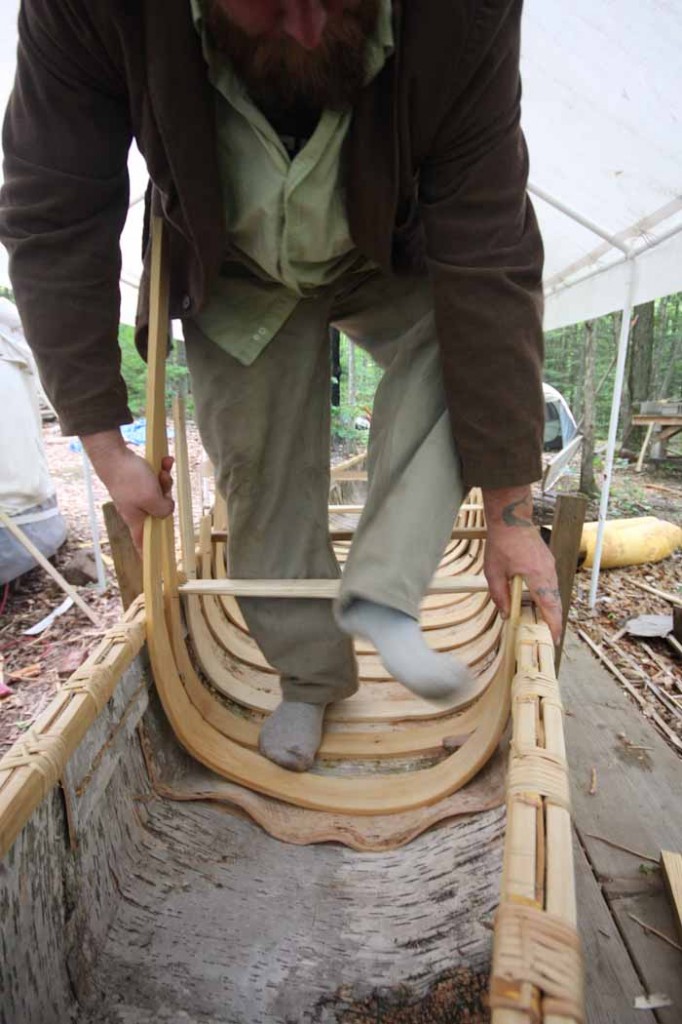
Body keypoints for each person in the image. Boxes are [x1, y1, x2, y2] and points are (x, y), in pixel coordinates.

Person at [0, 0, 561, 772]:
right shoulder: (90, 9)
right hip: (232, 266)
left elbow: (491, 248)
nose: (304, 26)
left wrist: (512, 516)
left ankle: (385, 592)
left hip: (386, 246)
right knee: (259, 474)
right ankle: (310, 678)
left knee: (467, 348)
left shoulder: (463, 13)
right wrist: (104, 445)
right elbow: (56, 211)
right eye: (269, 1)